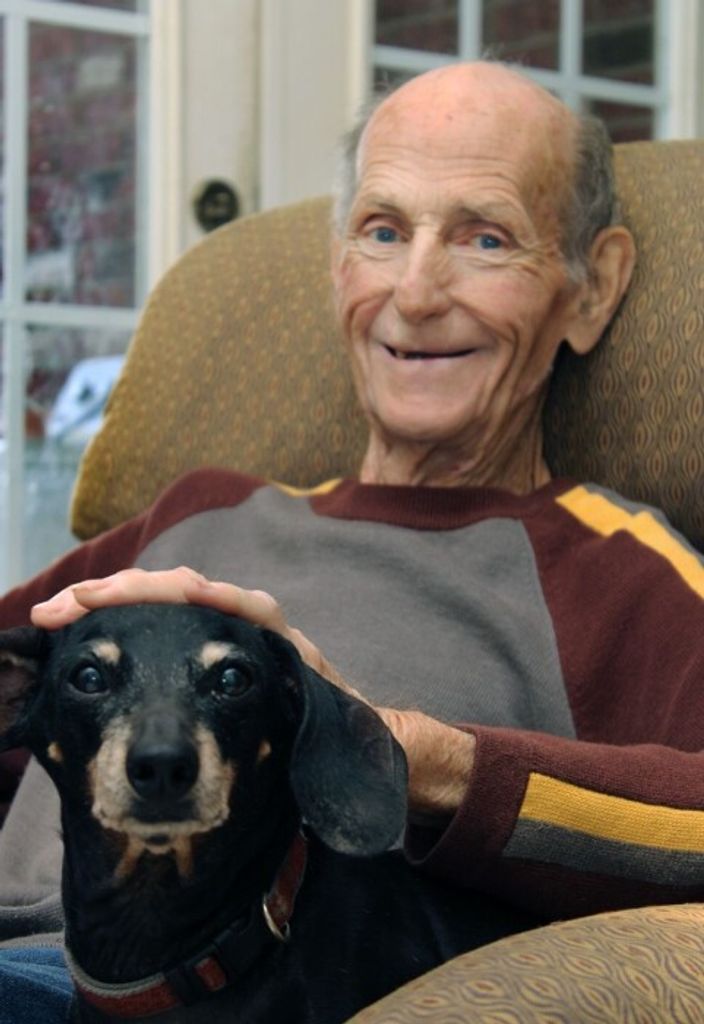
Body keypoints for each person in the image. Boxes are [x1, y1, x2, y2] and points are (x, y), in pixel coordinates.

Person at [1, 59, 703, 1017]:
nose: (416, 292)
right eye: (383, 231)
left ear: (591, 288)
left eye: (485, 238)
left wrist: (411, 753)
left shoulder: (611, 568)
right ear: (340, 266)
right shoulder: (200, 508)